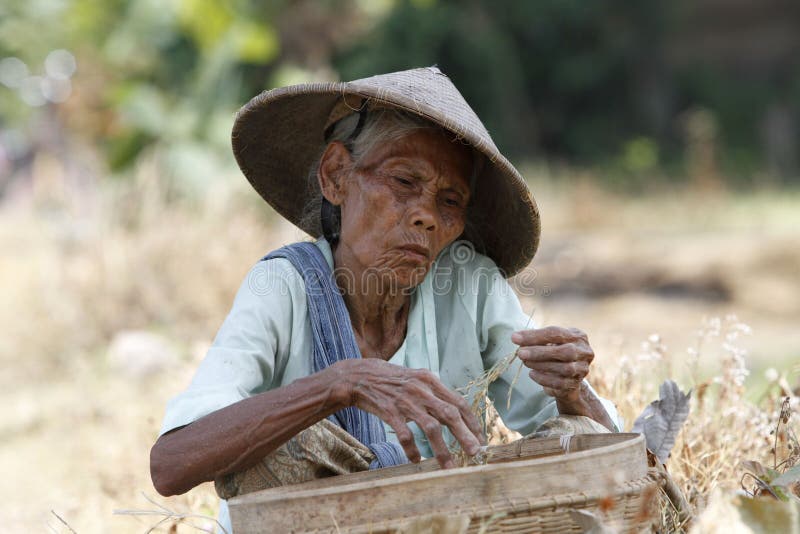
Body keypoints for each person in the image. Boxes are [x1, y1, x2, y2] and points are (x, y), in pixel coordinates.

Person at [150, 67, 620, 532]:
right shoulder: (284, 286)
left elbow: (614, 448)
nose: (426, 217)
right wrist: (340, 384)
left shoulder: (469, 284)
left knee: (581, 436)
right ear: (336, 176)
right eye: (404, 183)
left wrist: (571, 392)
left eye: (450, 200)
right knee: (285, 447)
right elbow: (171, 464)